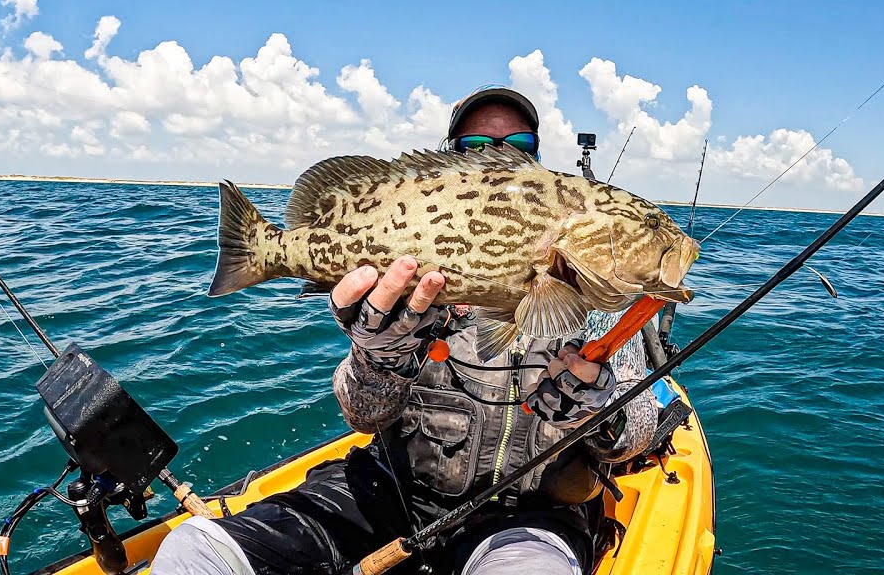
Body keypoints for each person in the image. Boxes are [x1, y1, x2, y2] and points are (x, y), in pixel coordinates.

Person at [152, 86, 659, 575]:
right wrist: (378, 355)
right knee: (196, 551)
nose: (499, 155)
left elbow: (635, 434)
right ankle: (265, 252)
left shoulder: (603, 293)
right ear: (452, 157)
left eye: (520, 145)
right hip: (388, 488)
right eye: (476, 145)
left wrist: (599, 406)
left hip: (527, 514)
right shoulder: (414, 264)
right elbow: (363, 414)